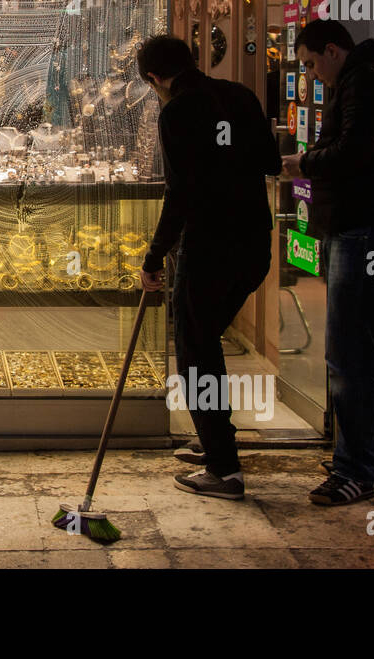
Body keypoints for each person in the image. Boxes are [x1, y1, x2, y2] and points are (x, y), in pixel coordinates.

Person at [137, 35, 281, 500]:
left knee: (197, 356)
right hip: (254, 243)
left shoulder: (177, 111)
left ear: (154, 79)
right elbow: (270, 162)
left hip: (210, 247)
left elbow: (180, 194)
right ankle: (215, 439)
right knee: (208, 347)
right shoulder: (240, 95)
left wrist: (154, 257)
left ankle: (224, 469)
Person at [283, 19, 374, 507]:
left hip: (365, 233)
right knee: (370, 347)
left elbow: (354, 153)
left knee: (350, 356)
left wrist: (305, 163)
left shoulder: (365, 81)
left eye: (312, 63)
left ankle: (355, 469)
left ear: (335, 51)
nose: (313, 75)